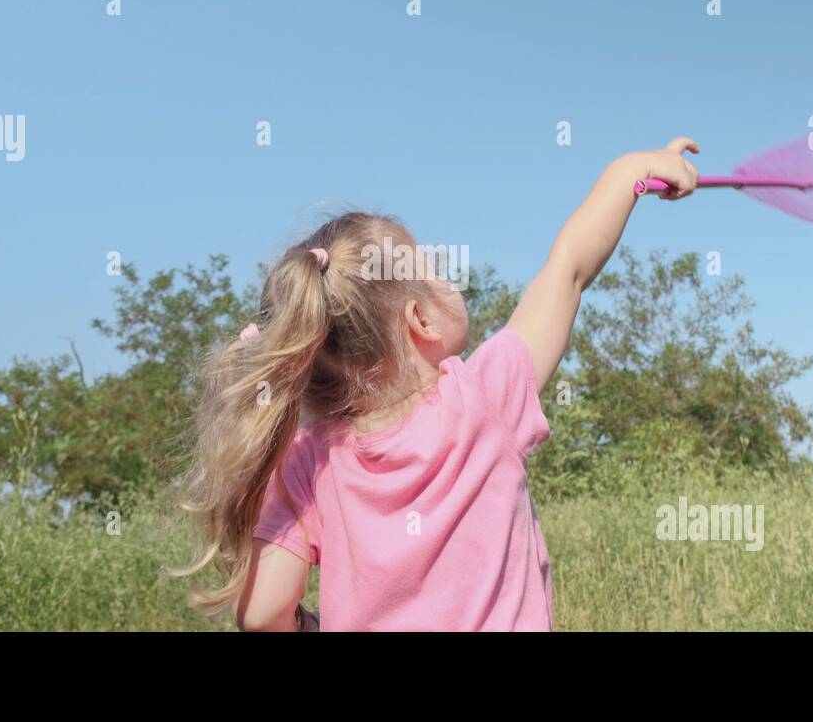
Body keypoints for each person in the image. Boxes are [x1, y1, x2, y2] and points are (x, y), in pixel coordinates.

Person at [175, 137, 700, 630]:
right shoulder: (484, 397)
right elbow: (568, 272)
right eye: (436, 272)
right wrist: (632, 171)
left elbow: (264, 613)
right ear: (420, 322)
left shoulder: (308, 462)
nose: (451, 280)